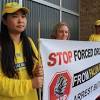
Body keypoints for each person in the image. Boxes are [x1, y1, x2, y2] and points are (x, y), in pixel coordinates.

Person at [0, 2, 43, 100]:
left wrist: (37, 71)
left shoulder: (29, 42)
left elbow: (35, 67)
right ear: (5, 21)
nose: (21, 21)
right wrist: (30, 84)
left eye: (23, 16)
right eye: (15, 16)